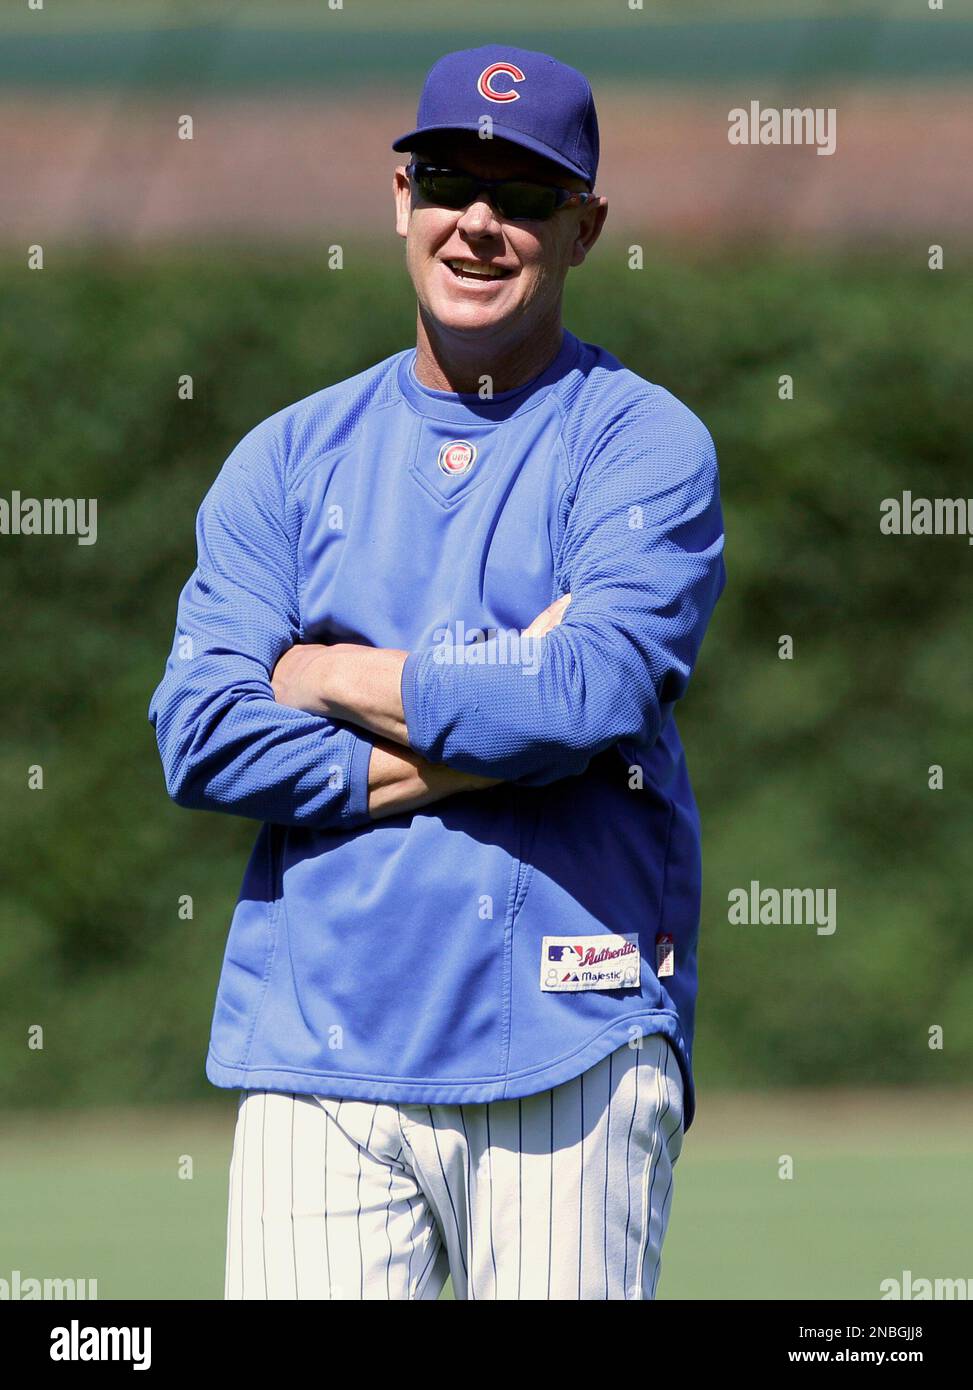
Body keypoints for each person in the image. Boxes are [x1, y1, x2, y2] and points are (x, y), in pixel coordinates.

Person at [148, 43, 726, 1301]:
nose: (479, 221)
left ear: (583, 227)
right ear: (399, 194)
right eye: (451, 177)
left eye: (522, 195)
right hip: (320, 1057)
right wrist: (500, 728)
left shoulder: (642, 443)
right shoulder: (287, 457)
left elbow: (589, 696)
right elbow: (198, 734)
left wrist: (327, 668)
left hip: (572, 1029)